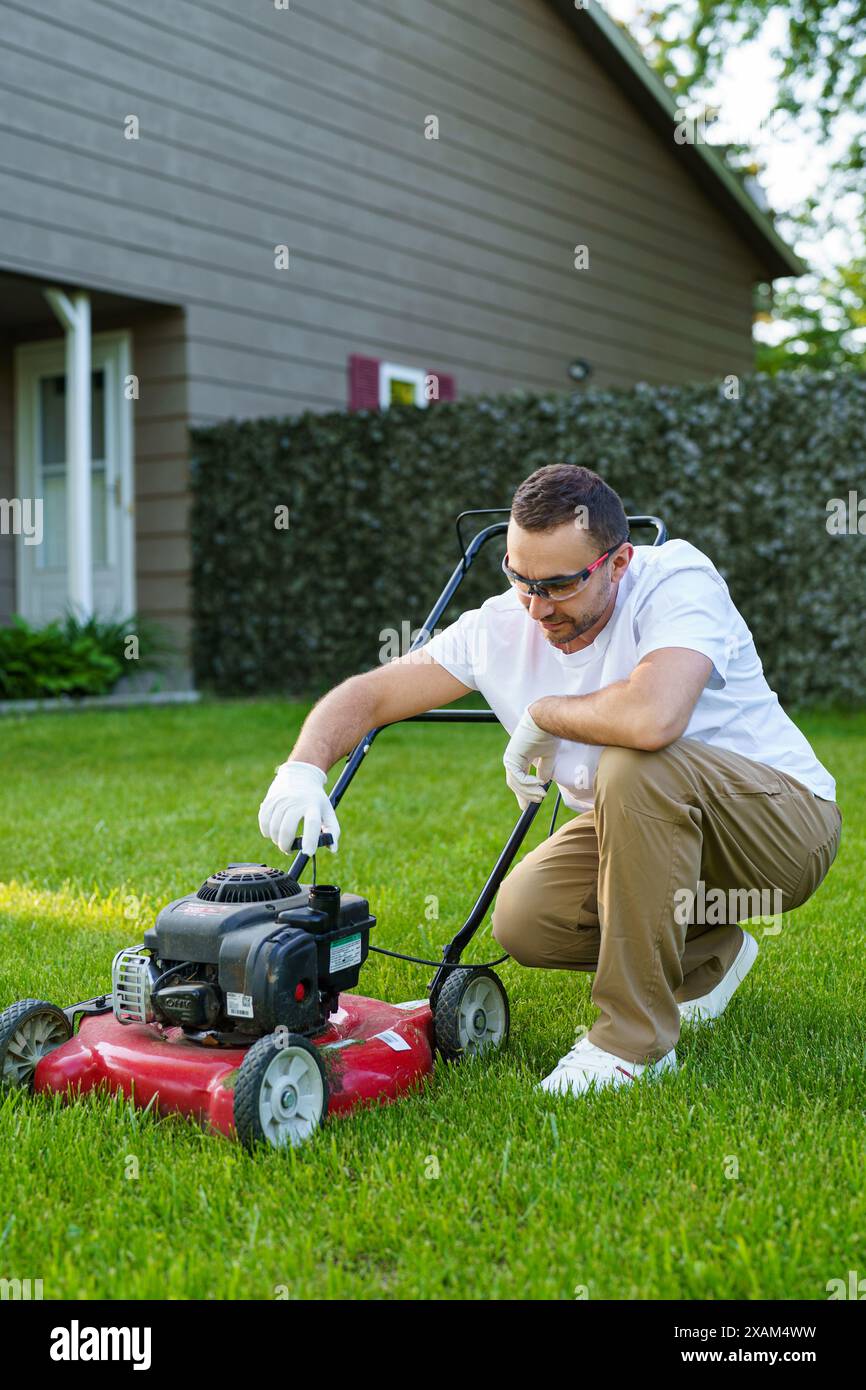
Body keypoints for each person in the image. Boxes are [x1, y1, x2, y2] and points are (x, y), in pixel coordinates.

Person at [258, 465, 841, 1097]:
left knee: (633, 759)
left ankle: (632, 1045)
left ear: (617, 563)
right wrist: (303, 768)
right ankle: (708, 953)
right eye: (519, 578)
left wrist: (544, 714)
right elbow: (372, 694)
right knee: (527, 919)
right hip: (654, 833)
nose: (536, 607)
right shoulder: (501, 624)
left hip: (783, 831)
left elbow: (652, 718)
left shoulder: (677, 578)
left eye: (559, 585)